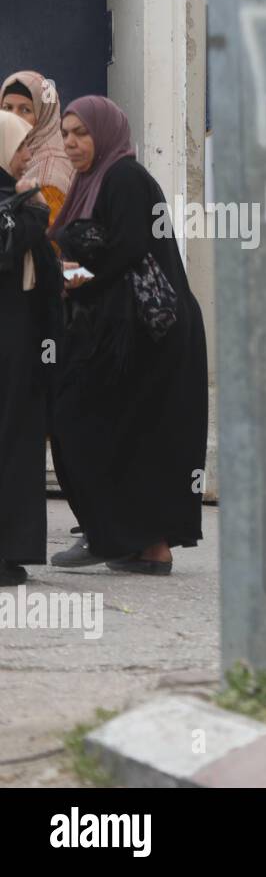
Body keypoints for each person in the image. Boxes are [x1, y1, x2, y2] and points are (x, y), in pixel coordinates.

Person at [47, 97, 208, 575]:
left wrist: (75, 274)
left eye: (81, 133)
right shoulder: (96, 181)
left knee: (80, 419)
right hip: (140, 330)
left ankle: (108, 532)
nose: (72, 143)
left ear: (106, 132)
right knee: (139, 436)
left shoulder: (123, 178)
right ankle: (148, 547)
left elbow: (128, 249)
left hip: (142, 332)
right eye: (66, 133)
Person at [0, 112, 60, 585]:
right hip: (9, 346)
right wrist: (32, 214)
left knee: (18, 441)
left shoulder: (19, 198)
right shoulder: (17, 203)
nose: (27, 156)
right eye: (21, 147)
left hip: (21, 346)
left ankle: (13, 549)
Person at [2, 70, 75, 230]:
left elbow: (50, 240)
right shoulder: (13, 152)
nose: (14, 116)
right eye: (7, 108)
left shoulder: (49, 169)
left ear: (44, 116)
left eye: (25, 110)